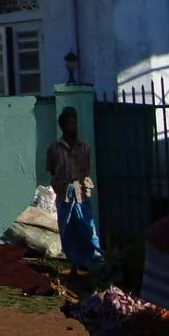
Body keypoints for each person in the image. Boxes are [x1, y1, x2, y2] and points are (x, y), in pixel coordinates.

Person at [46, 106, 101, 275]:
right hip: (64, 195)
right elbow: (51, 170)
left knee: (87, 227)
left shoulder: (83, 147)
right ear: (62, 126)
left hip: (81, 193)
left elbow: (87, 169)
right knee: (68, 230)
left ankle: (95, 263)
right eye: (70, 123)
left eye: (75, 123)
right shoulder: (55, 149)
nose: (74, 127)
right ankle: (74, 266)